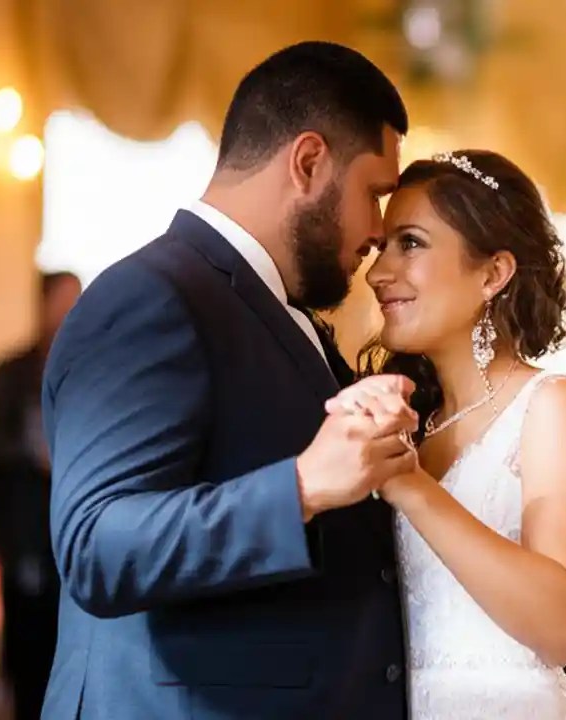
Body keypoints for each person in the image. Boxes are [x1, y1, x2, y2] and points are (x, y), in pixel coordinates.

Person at [41, 42, 423, 719]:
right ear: (308, 163)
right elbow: (97, 545)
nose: (376, 233)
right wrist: (302, 486)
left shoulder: (281, 307)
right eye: (374, 195)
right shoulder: (151, 297)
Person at [327, 149, 566, 718]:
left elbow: (564, 626)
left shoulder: (554, 406)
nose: (378, 272)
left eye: (410, 242)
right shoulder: (412, 416)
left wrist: (412, 487)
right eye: (382, 245)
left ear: (493, 273)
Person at [0, 271, 81, 720]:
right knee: (26, 649)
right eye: (62, 301)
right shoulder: (11, 373)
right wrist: (36, 457)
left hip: (72, 531)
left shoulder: (87, 365)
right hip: (25, 531)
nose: (69, 312)